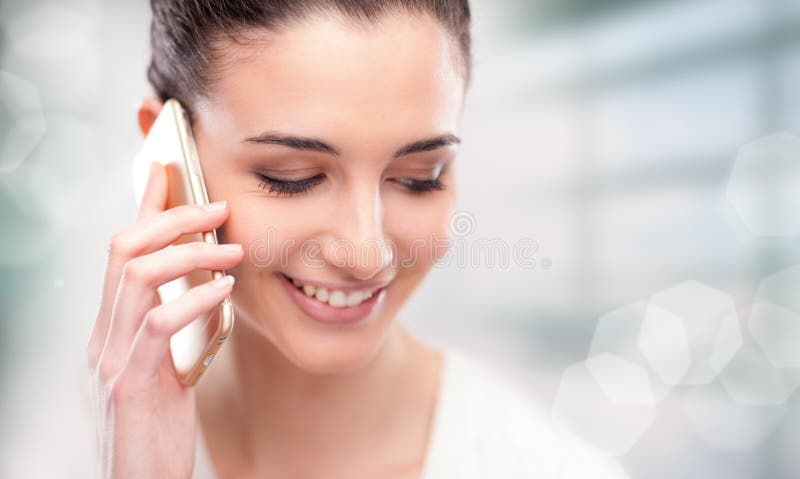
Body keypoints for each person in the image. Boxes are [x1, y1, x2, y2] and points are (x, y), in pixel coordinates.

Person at [87, 1, 630, 477]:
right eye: (291, 176)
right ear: (165, 155)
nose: (366, 254)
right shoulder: (63, 435)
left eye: (420, 176)